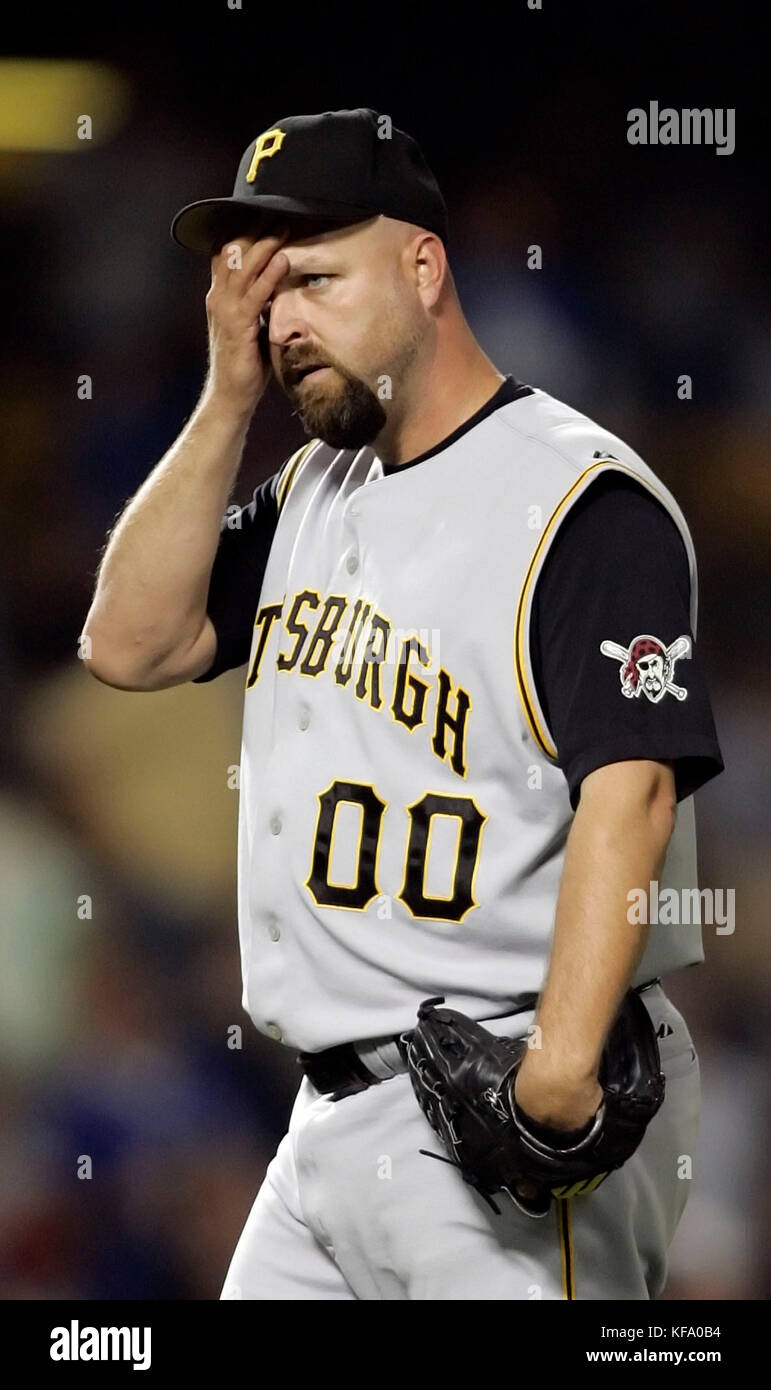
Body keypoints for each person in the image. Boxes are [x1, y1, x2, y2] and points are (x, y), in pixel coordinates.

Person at [82, 108, 724, 1299]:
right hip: (323, 1123)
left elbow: (630, 793)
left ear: (425, 267)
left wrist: (563, 1068)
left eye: (316, 278)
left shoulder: (578, 500)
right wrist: (226, 399)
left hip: (497, 1109)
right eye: (265, 294)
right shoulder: (310, 488)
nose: (283, 322)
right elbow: (128, 641)